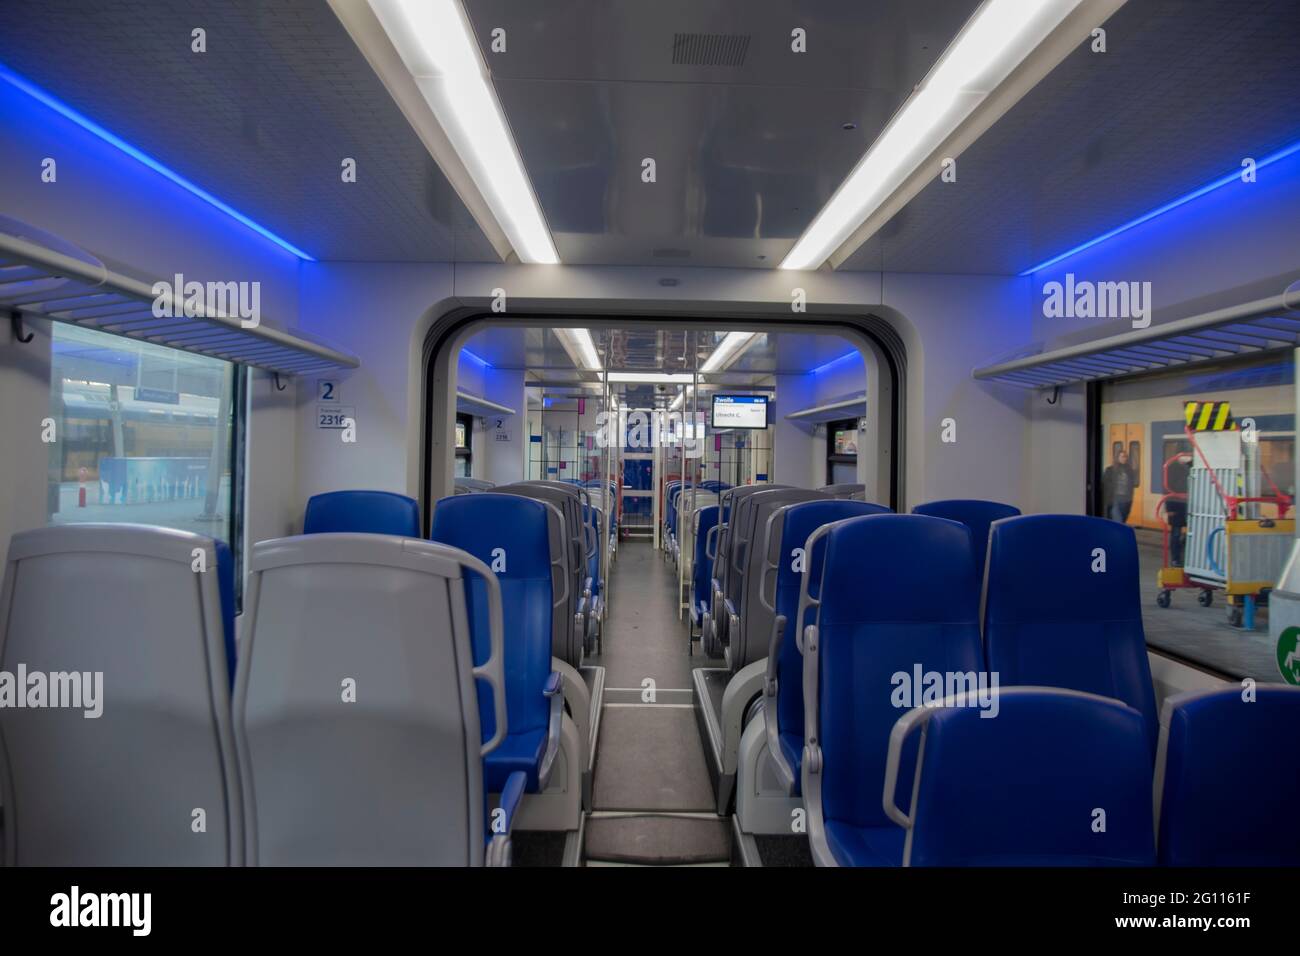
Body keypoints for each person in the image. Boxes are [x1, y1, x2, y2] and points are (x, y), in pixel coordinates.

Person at [1164, 453, 1191, 566]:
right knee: (1176, 533)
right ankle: (1176, 559)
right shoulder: (1171, 468)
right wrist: (1169, 508)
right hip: (1176, 504)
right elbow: (1167, 488)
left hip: (1187, 504)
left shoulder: (1190, 466)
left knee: (1185, 533)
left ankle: (1183, 558)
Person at [1103, 449, 1136, 524]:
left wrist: (1130, 499)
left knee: (1122, 520)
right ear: (1117, 457)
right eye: (1122, 456)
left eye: (1126, 457)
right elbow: (1105, 486)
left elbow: (1131, 487)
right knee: (1118, 521)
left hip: (1126, 500)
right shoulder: (1110, 470)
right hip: (1115, 500)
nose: (1125, 458)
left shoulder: (1129, 471)